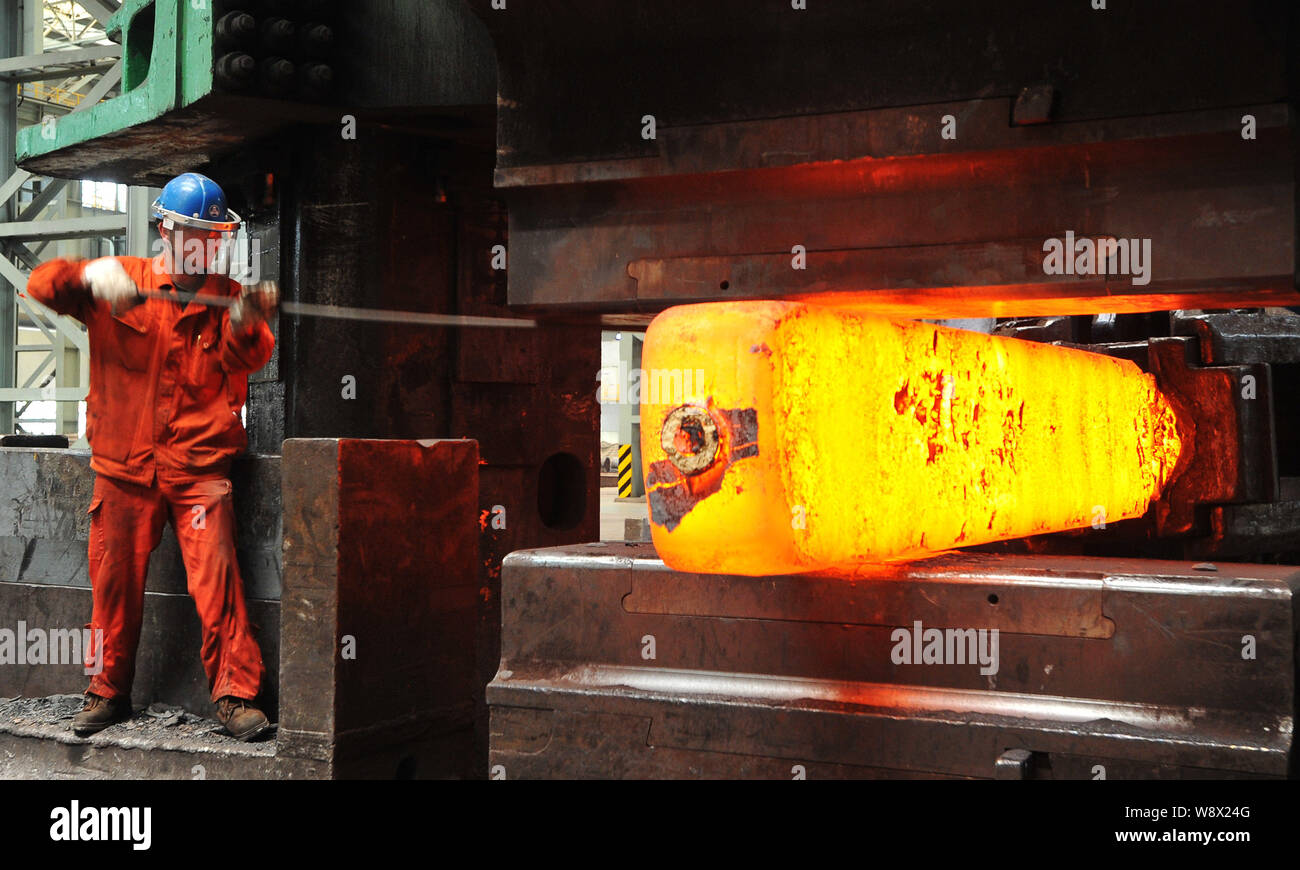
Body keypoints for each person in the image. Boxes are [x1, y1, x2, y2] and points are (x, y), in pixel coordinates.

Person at [22, 172, 279, 741]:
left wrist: (246, 320)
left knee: (218, 579)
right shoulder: (126, 281)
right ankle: (107, 691)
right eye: (193, 234)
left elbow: (250, 355)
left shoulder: (225, 298)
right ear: (165, 229)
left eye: (213, 238)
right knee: (113, 583)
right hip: (124, 472)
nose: (203, 248)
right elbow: (42, 285)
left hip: (196, 473)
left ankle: (236, 696)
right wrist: (90, 274)